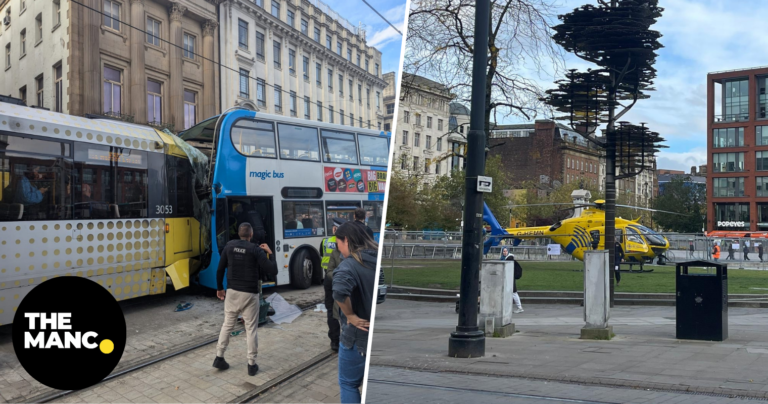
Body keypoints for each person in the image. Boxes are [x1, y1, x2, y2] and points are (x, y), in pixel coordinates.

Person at [213, 223, 277, 376]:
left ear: (239, 234)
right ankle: (251, 364)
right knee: (251, 329)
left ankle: (219, 356)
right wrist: (270, 252)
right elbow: (272, 270)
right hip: (249, 294)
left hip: (232, 292)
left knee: (227, 324)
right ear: (251, 234)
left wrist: (219, 288)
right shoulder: (255, 249)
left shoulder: (229, 246)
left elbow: (220, 269)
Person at [332, 221, 378, 403]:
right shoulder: (376, 258)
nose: (339, 249)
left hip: (357, 338)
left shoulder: (349, 265)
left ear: (347, 240)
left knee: (348, 383)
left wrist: (350, 315)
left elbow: (339, 291)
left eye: (338, 244)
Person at [321, 217, 345, 352]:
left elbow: (321, 255)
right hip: (341, 280)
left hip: (329, 278)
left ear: (335, 229)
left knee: (331, 311)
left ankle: (334, 341)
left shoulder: (326, 241)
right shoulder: (348, 244)